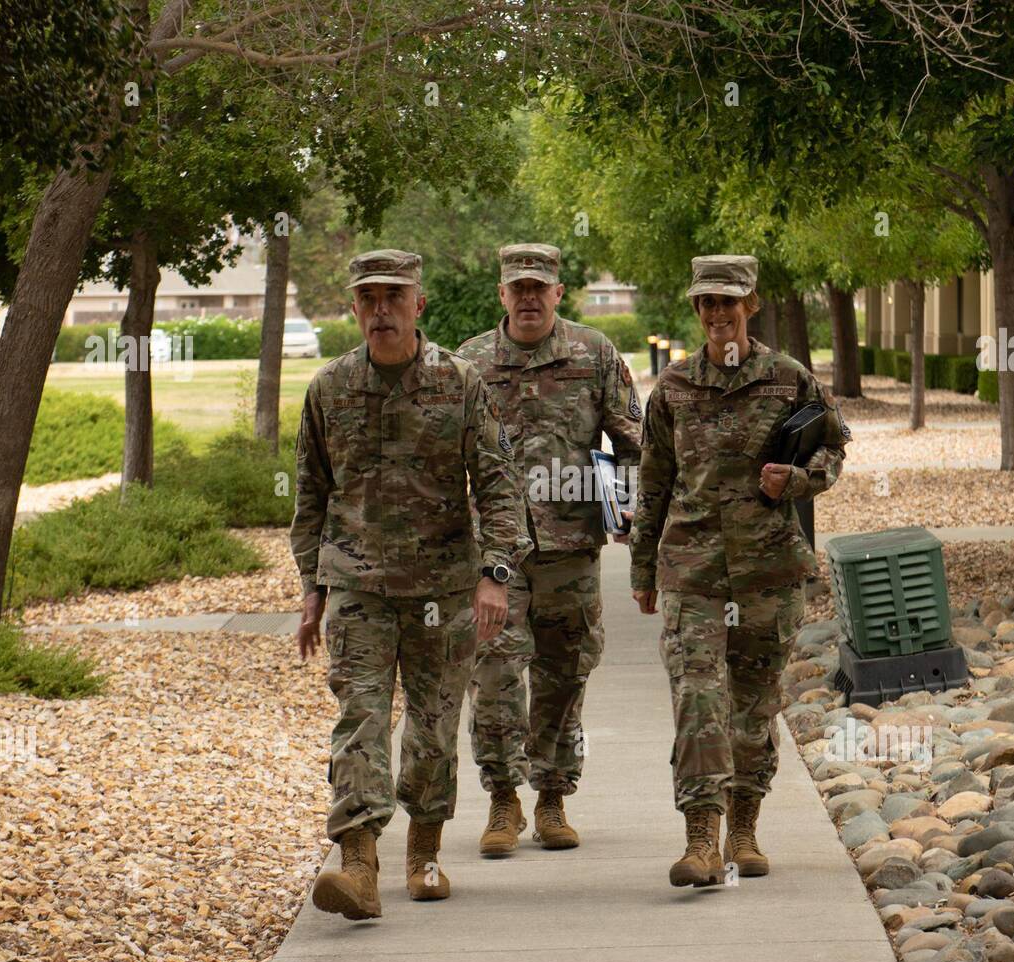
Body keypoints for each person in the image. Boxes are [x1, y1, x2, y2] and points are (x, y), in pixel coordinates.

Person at [291, 249, 531, 920]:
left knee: (431, 727)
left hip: (442, 590)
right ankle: (358, 864)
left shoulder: (459, 382)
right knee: (360, 718)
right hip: (358, 589)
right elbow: (311, 496)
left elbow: (496, 481)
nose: (381, 309)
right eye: (369, 297)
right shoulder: (330, 387)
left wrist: (495, 573)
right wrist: (312, 586)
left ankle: (423, 853)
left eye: (394, 295)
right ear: (356, 308)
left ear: (418, 304)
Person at [628, 254, 849, 888]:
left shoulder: (789, 379)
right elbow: (654, 484)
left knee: (752, 712)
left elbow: (835, 448)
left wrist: (800, 480)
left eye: (729, 302)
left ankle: (744, 827)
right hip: (692, 571)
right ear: (695, 309)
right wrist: (644, 570)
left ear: (750, 305)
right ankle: (701, 838)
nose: (718, 314)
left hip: (766, 573)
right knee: (698, 699)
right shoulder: (671, 388)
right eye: (707, 304)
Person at [456, 243, 643, 856]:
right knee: (496, 676)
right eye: (519, 288)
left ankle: (553, 797)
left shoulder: (594, 354)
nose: (530, 298)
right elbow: (444, 455)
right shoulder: (471, 363)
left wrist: (631, 504)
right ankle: (503, 799)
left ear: (558, 292)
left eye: (541, 287)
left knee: (564, 678)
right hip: (497, 558)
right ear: (503, 294)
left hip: (571, 552)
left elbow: (636, 441)